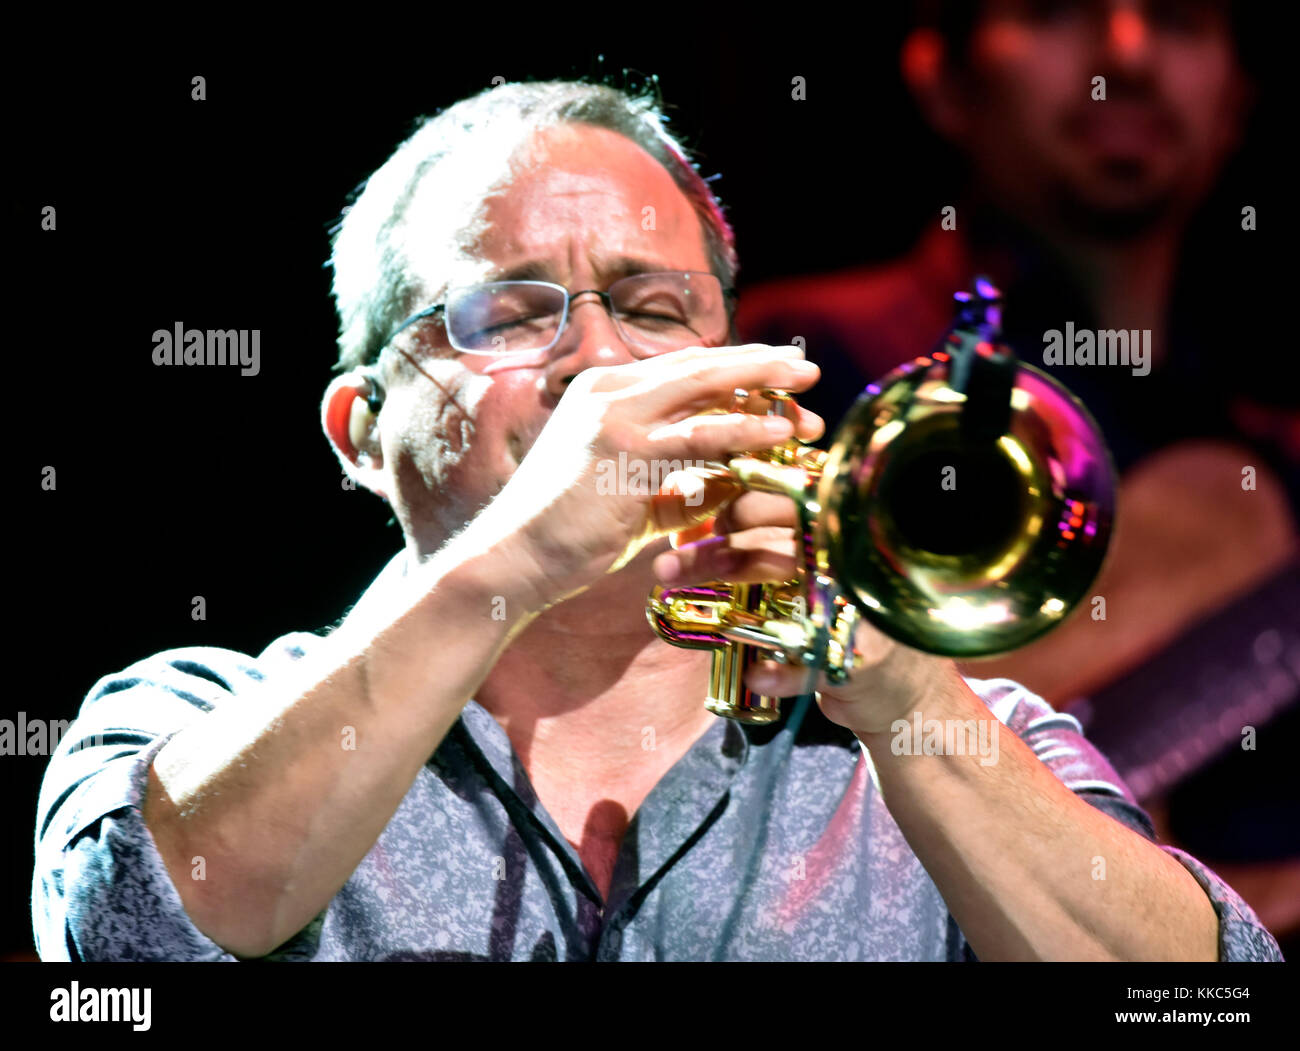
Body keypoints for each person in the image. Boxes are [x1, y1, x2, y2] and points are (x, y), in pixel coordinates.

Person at [32, 79, 1282, 962]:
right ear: (362, 430)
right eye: (512, 313)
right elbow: (128, 938)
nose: (597, 364)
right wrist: (510, 561)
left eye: (651, 306)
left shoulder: (950, 729)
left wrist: (905, 697)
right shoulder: (189, 713)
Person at [733, 0, 1299, 952]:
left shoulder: (1274, 454)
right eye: (1055, 8)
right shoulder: (793, 358)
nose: (1127, 53)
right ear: (944, 81)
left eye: (1182, 17)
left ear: (1236, 101)